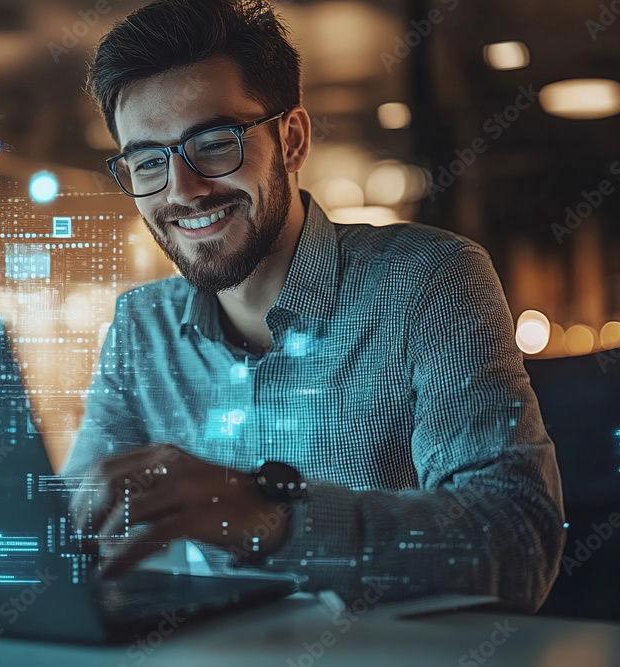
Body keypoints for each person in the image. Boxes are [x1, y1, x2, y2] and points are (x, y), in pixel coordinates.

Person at [61, 0, 565, 611]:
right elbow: (72, 527)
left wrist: (267, 515)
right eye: (148, 161)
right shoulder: (141, 326)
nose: (183, 190)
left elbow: (517, 546)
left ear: (292, 139)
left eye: (215, 143)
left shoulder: (427, 282)